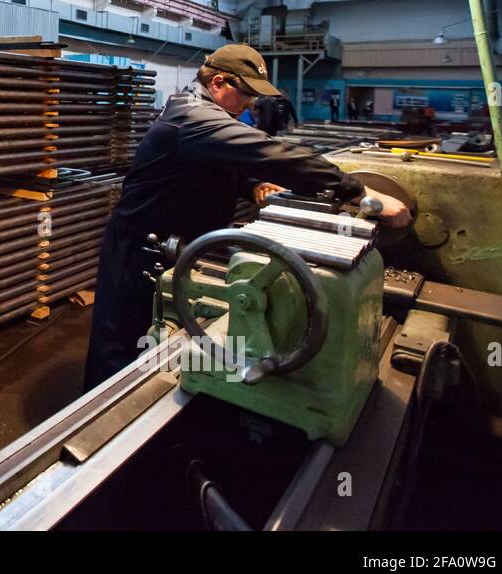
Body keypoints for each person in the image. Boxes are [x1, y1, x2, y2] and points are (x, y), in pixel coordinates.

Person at [83, 44, 412, 391]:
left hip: (177, 246)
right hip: (138, 250)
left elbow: (216, 166)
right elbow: (272, 153)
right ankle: (93, 425)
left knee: (159, 333)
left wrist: (252, 185)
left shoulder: (206, 115)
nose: (252, 104)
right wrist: (358, 191)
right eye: (247, 94)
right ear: (219, 82)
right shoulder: (191, 115)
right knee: (121, 341)